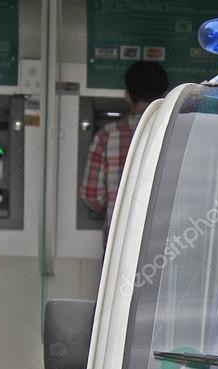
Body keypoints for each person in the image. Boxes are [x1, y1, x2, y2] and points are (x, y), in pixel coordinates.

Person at [80, 61, 169, 247]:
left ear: (127, 95)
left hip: (118, 246)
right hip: (166, 242)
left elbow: (92, 195)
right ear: (165, 96)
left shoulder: (106, 136)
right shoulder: (175, 134)